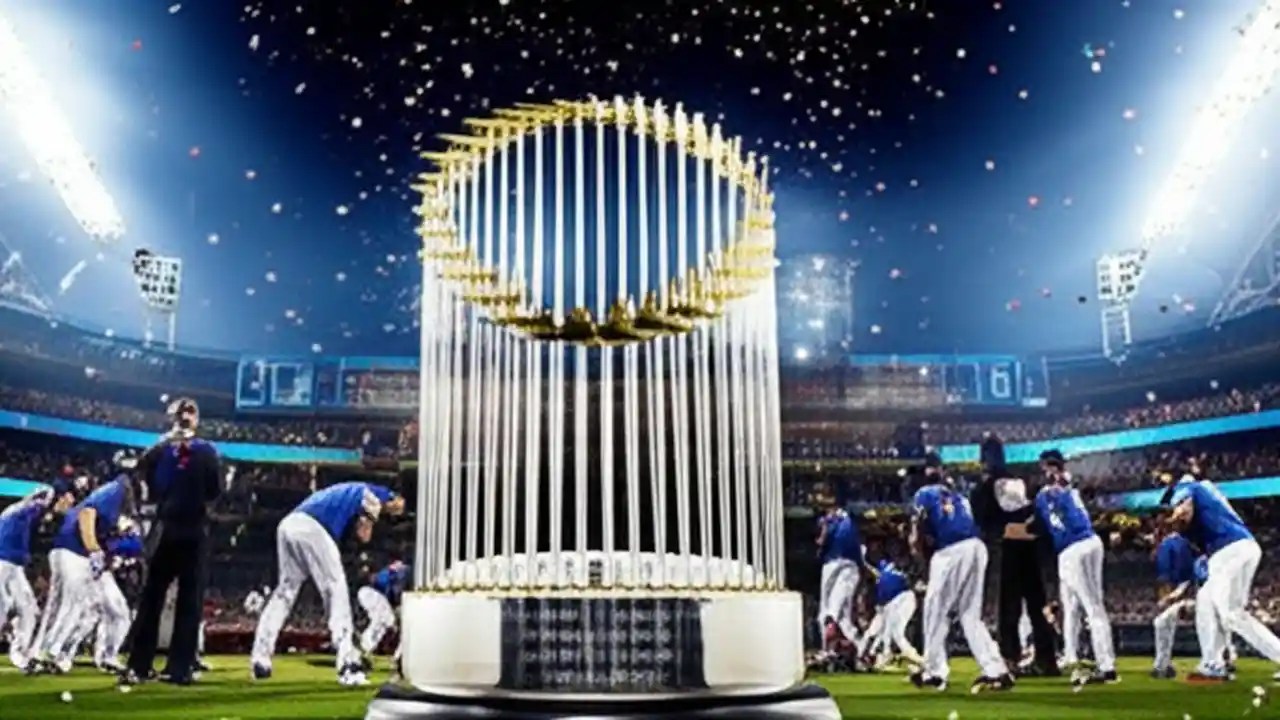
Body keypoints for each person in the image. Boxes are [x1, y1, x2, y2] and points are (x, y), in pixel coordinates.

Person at [250, 480, 406, 685]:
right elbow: (364, 533)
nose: (395, 511)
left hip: (289, 524)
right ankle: (348, 664)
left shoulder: (345, 490)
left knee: (285, 592)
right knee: (336, 588)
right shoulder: (371, 494)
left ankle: (260, 658)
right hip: (314, 528)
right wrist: (377, 521)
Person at [122, 399, 222, 687]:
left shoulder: (160, 449)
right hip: (193, 527)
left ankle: (139, 665)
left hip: (166, 526)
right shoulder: (207, 451)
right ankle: (178, 669)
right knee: (188, 601)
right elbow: (215, 490)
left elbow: (142, 474)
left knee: (153, 597)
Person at [1163, 464, 1280, 683]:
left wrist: (1170, 526)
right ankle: (1212, 663)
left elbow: (1184, 512)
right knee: (1206, 603)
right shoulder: (1207, 489)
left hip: (1228, 551)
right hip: (1239, 548)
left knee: (1232, 614)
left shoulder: (1188, 486)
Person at [909, 454, 1012, 693]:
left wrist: (922, 568)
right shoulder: (958, 495)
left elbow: (915, 537)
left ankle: (934, 672)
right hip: (977, 547)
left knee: (935, 611)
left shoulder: (923, 493)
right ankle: (996, 670)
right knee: (970, 616)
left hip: (951, 552)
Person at [1027, 449, 1117, 686]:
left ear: (1048, 466)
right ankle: (1070, 655)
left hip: (1071, 550)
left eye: (1045, 466)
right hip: (1090, 542)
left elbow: (1035, 521)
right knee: (1072, 605)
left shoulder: (1045, 493)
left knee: (1092, 607)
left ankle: (1107, 667)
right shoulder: (1071, 487)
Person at [971, 435, 1059, 676]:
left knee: (1008, 606)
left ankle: (1009, 657)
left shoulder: (985, 486)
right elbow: (1031, 511)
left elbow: (982, 518)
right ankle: (1046, 658)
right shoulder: (1019, 481)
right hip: (1030, 545)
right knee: (1037, 604)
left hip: (1008, 544)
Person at [30, 469, 134, 674]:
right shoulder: (113, 491)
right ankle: (47, 654)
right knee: (71, 606)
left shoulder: (113, 502)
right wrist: (94, 548)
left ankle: (107, 657)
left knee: (116, 609)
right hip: (75, 553)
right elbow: (87, 515)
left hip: (83, 556)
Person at [0, 482, 76, 669]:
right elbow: (43, 511)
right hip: (2, 563)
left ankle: (20, 655)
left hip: (14, 566)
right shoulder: (23, 509)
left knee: (28, 610)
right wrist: (57, 506)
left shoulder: (20, 512)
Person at [815, 500, 868, 663]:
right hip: (851, 565)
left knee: (829, 610)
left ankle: (828, 650)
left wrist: (818, 546)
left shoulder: (827, 519)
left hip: (833, 562)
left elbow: (822, 541)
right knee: (843, 615)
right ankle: (861, 650)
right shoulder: (851, 516)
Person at [856, 558, 923, 670]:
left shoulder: (899, 571)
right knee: (872, 633)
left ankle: (917, 659)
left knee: (895, 634)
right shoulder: (882, 566)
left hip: (902, 599)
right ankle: (863, 659)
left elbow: (914, 582)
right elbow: (871, 570)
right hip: (885, 607)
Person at [357, 560, 407, 664]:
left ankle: (366, 649)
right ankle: (365, 647)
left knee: (382, 623)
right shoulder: (385, 575)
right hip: (370, 593)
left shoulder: (389, 576)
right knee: (383, 620)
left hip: (370, 595)